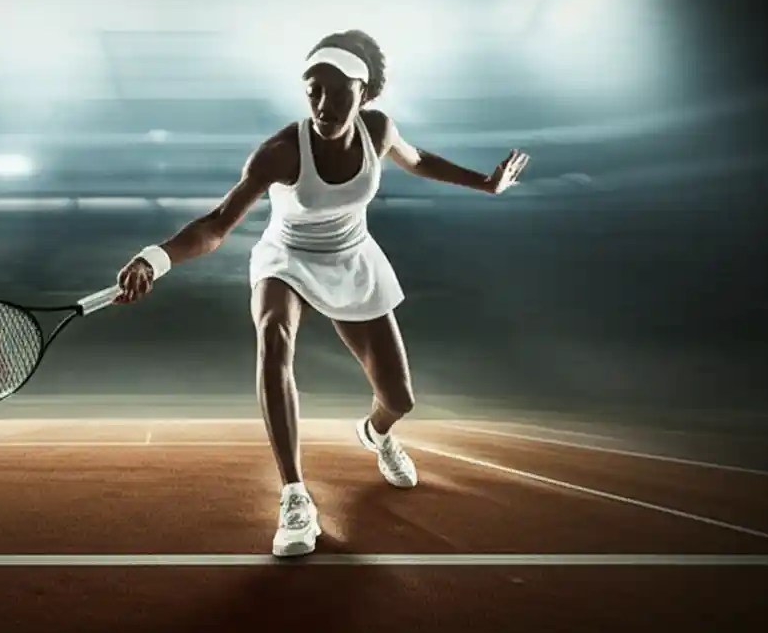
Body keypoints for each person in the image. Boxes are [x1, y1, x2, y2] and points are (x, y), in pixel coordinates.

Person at [112, 29, 529, 557]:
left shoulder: (378, 131)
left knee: (399, 398)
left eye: (339, 92)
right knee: (274, 337)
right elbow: (219, 224)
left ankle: (377, 434)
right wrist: (156, 257)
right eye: (314, 89)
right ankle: (294, 497)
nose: (325, 104)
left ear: (367, 93)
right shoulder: (281, 152)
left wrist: (486, 183)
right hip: (286, 259)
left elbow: (418, 160)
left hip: (353, 257)